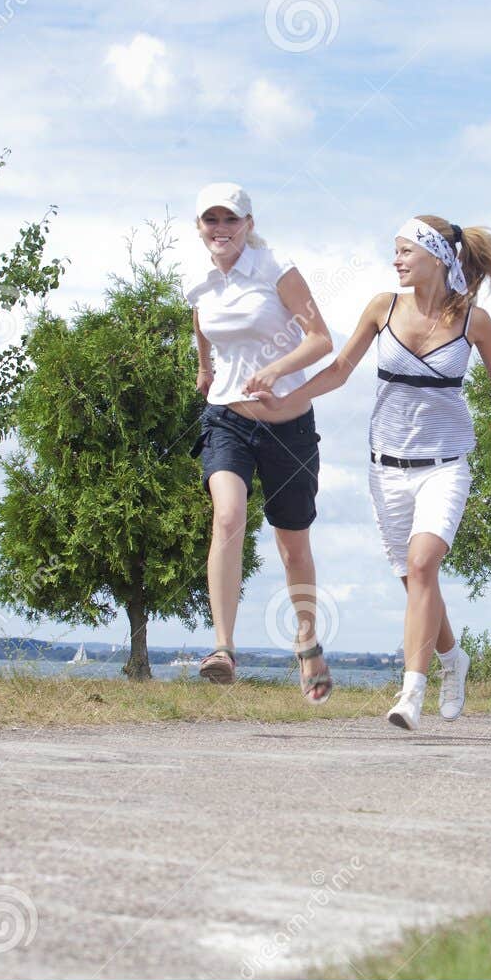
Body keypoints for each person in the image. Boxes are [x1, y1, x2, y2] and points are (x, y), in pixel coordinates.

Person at [265, 216, 491, 730]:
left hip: (445, 466)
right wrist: (287, 401)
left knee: (421, 566)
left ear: (436, 256)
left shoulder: (474, 322)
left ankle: (411, 693)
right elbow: (339, 370)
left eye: (404, 251)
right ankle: (453, 659)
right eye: (395, 251)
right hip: (386, 469)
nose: (395, 260)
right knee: (416, 579)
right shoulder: (383, 307)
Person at [185, 182, 336, 701]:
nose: (221, 229)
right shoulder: (199, 280)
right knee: (228, 516)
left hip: (288, 426)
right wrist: (204, 367)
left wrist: (275, 369)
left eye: (231, 219)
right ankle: (223, 648)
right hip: (226, 418)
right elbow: (202, 322)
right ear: (199, 227)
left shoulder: (276, 269)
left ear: (248, 224)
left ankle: (307, 638)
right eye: (211, 220)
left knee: (293, 546)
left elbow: (321, 339)